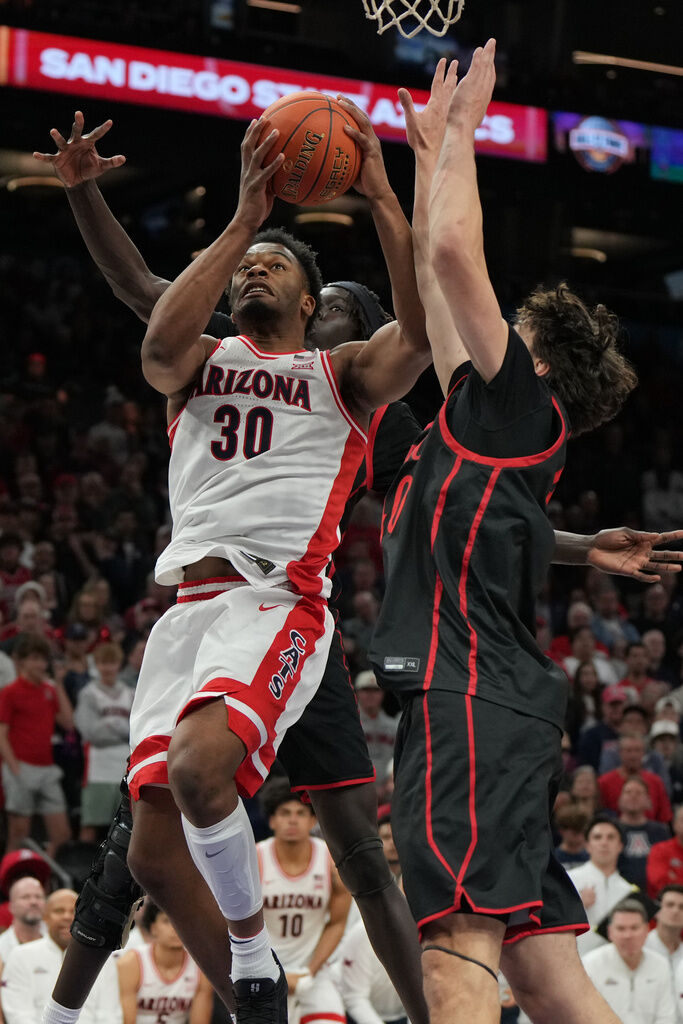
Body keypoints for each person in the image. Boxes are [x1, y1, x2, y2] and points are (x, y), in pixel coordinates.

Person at [35, 103, 683, 1024]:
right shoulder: (205, 351)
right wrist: (96, 196)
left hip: (291, 613)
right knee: (145, 853)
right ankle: (245, 995)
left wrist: (391, 184)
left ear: (329, 317)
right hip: (198, 610)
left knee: (366, 862)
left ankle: (273, 977)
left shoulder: (365, 391)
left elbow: (444, 386)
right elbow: (144, 294)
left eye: (333, 300)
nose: (314, 300)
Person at [370, 47, 642, 1024]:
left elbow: (451, 258)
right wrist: (425, 154)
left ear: (529, 355)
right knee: (544, 977)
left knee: (455, 958)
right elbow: (437, 294)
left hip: (470, 701)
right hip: (497, 702)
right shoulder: (493, 425)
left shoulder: (515, 407)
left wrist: (465, 135)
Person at [258, 788, 350, 1024]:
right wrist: (265, 972)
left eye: (300, 813)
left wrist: (310, 971)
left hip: (313, 970)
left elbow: (337, 923)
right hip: (262, 970)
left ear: (313, 820)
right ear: (271, 820)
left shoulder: (331, 860)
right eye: (285, 813)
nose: (292, 819)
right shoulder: (254, 859)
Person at [1, 889, 122, 1024]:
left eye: (73, 911)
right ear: (45, 917)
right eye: (59, 911)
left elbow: (110, 1015)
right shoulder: (20, 956)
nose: (66, 917)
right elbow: (19, 1015)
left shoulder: (103, 959)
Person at [0, 634, 73, 855]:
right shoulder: (9, 692)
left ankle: (41, 877)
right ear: (21, 661)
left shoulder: (49, 690)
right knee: (18, 834)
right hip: (21, 767)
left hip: (47, 769)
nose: (41, 664)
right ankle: (8, 888)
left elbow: (68, 723)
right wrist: (14, 768)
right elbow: (1, 734)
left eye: (43, 659)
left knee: (62, 834)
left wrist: (58, 683)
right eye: (35, 658)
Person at [337, 815, 409, 1024]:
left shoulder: (416, 882)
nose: (393, 843)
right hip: (357, 962)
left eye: (396, 837)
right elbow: (348, 936)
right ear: (376, 842)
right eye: (386, 837)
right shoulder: (357, 885)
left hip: (399, 1003)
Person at [74, 642, 134, 843]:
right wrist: (120, 729)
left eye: (112, 663)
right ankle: (84, 872)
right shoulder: (89, 694)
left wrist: (109, 725)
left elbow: (135, 732)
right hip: (97, 770)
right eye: (103, 663)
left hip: (123, 769)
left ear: (119, 664)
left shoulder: (130, 694)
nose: (108, 668)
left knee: (125, 826)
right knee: (90, 824)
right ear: (96, 665)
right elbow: (90, 733)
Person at [116, 902, 213, 1024]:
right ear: (153, 928)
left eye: (181, 921)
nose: (175, 928)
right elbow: (127, 1021)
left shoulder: (201, 967)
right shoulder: (131, 962)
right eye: (167, 921)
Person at [583, 898, 675, 1024]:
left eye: (634, 928)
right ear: (610, 932)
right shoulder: (591, 963)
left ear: (646, 930)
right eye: (621, 928)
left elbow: (667, 1016)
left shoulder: (660, 965)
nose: (628, 935)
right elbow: (585, 1014)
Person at [568, 818, 635, 956]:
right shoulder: (569, 879)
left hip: (615, 962)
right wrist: (577, 905)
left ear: (620, 846)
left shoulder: (628, 890)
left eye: (610, 837)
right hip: (577, 958)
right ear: (588, 845)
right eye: (597, 837)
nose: (604, 842)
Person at [599, 735, 672, 824]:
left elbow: (664, 818)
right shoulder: (604, 782)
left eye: (637, 750)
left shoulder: (656, 781)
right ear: (620, 753)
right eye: (628, 751)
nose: (633, 755)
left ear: (643, 753)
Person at [618, 776, 671, 888]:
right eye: (628, 792)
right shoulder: (611, 830)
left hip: (655, 893)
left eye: (638, 793)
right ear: (620, 799)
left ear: (648, 800)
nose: (633, 796)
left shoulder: (661, 831)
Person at [353, 671, 398, 791]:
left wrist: (390, 782)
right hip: (357, 787)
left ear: (383, 693)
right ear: (357, 692)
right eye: (366, 690)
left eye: (376, 690)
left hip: (389, 789)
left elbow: (399, 758)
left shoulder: (394, 726)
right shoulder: (350, 725)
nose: (371, 695)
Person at [645, 885, 683, 1019]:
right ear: (658, 910)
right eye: (670, 905)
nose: (675, 911)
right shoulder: (640, 948)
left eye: (681, 907)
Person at [0, 876, 46, 969]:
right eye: (25, 897)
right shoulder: (1, 947)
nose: (34, 902)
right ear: (11, 906)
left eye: (38, 896)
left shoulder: (60, 941)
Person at [647, 805, 683, 898]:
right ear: (674, 824)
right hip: (664, 904)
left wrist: (675, 878)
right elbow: (659, 882)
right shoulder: (660, 849)